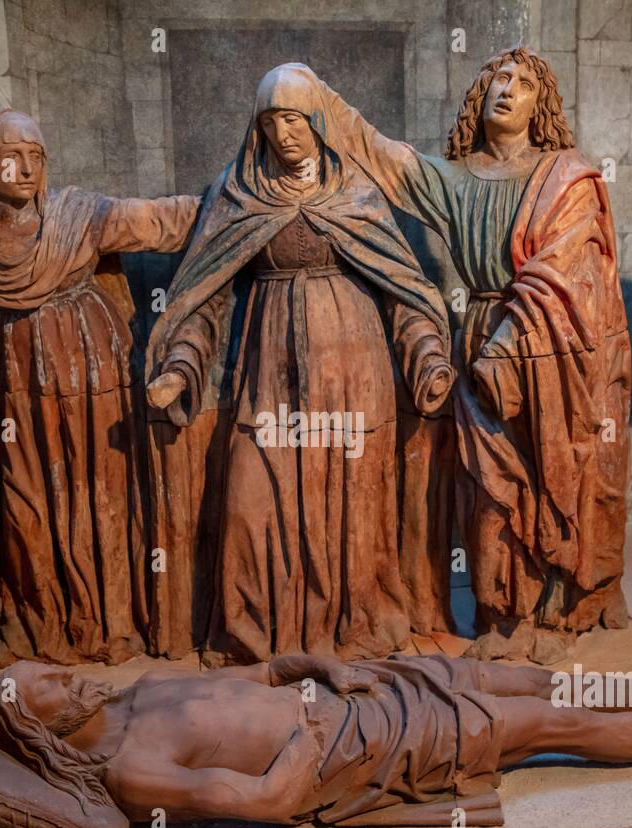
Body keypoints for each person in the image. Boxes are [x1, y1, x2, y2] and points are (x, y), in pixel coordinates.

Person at [313, 50, 632, 655]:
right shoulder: (456, 180)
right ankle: (503, 617)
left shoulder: (567, 174)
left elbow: (564, 268)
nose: (506, 91)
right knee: (491, 485)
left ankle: (559, 605)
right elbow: (384, 155)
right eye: (496, 81)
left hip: (552, 348)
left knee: (558, 478)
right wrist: (318, 99)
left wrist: (511, 346)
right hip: (485, 331)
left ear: (542, 106)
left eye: (523, 84)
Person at [145, 64, 454, 664]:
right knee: (248, 501)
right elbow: (202, 297)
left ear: (316, 122)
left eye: (293, 119)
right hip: (269, 375)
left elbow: (403, 289)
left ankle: (351, 621)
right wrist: (181, 366)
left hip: (354, 370)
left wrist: (427, 354)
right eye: (270, 122)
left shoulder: (357, 193)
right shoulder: (239, 195)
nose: (283, 134)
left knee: (355, 503)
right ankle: (265, 631)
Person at [0, 108, 200, 667]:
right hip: (20, 394)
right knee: (28, 504)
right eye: (10, 154)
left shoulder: (78, 215)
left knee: (104, 498)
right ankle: (47, 617)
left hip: (98, 380)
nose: (26, 166)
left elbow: (160, 221)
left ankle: (115, 618)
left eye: (36, 155)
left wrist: (233, 200)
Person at [0, 642, 632, 828]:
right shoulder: (132, 774)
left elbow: (267, 670)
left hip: (364, 687)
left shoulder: (142, 691)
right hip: (363, 748)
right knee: (560, 725)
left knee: (535, 677)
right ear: (38, 726)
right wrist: (312, 731)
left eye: (55, 669)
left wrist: (327, 668)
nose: (70, 675)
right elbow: (270, 802)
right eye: (49, 687)